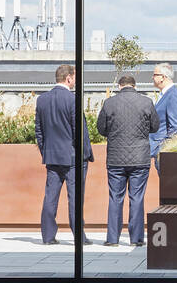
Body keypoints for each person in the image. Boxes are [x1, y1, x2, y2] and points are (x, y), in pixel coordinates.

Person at [96, 74, 160, 247]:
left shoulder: (109, 103)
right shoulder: (146, 102)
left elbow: (101, 128)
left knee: (115, 198)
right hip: (140, 158)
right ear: (135, 86)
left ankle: (112, 239)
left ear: (119, 86)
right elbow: (155, 127)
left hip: (116, 159)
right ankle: (136, 239)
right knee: (137, 198)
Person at [35, 64, 94, 245]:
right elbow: (79, 131)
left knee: (50, 197)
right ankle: (79, 237)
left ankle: (48, 236)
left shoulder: (42, 100)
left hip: (52, 157)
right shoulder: (72, 99)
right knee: (75, 198)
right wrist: (85, 154)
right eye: (74, 78)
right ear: (68, 78)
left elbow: (39, 131)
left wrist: (46, 151)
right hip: (73, 158)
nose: (75, 81)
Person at [149, 62, 177, 171]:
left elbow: (175, 127)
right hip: (159, 150)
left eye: (155, 75)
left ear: (163, 77)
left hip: (164, 152)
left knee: (168, 181)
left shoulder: (173, 95)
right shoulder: (164, 94)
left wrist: (164, 148)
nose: (152, 77)